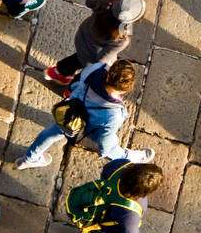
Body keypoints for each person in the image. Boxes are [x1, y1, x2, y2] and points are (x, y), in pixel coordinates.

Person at [16, 59, 153, 169]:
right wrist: (104, 150)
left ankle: (29, 159)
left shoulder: (96, 68)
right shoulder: (113, 114)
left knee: (53, 131)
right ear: (125, 89)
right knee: (111, 149)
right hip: (87, 129)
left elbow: (78, 80)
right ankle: (132, 157)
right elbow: (105, 140)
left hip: (71, 113)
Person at [63, 160, 162, 233]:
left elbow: (106, 170)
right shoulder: (131, 214)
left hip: (98, 212)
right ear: (143, 194)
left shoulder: (119, 165)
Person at [45, 0, 145, 87]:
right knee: (86, 75)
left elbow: (89, 1)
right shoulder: (121, 38)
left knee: (77, 58)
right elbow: (102, 59)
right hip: (92, 56)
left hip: (82, 36)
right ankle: (72, 89)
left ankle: (59, 72)